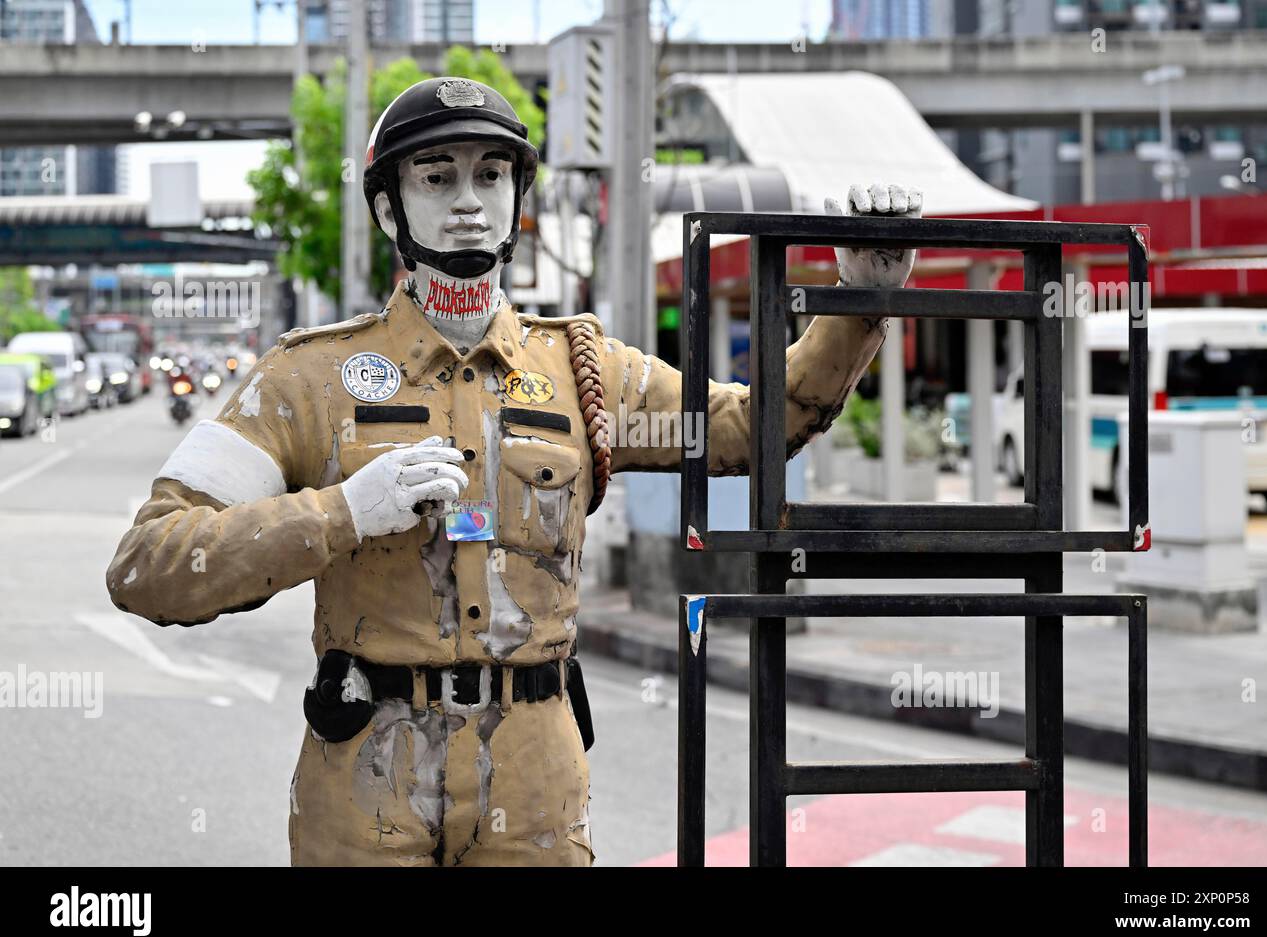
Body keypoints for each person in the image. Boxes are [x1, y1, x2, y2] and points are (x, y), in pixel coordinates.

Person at [106, 76, 921, 866]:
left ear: (516, 200)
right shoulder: (305, 379)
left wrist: (859, 304)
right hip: (366, 778)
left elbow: (754, 428)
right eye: (437, 176)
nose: (468, 200)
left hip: (535, 781)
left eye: (491, 175)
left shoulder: (582, 368)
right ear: (389, 206)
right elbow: (150, 565)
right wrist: (342, 513)